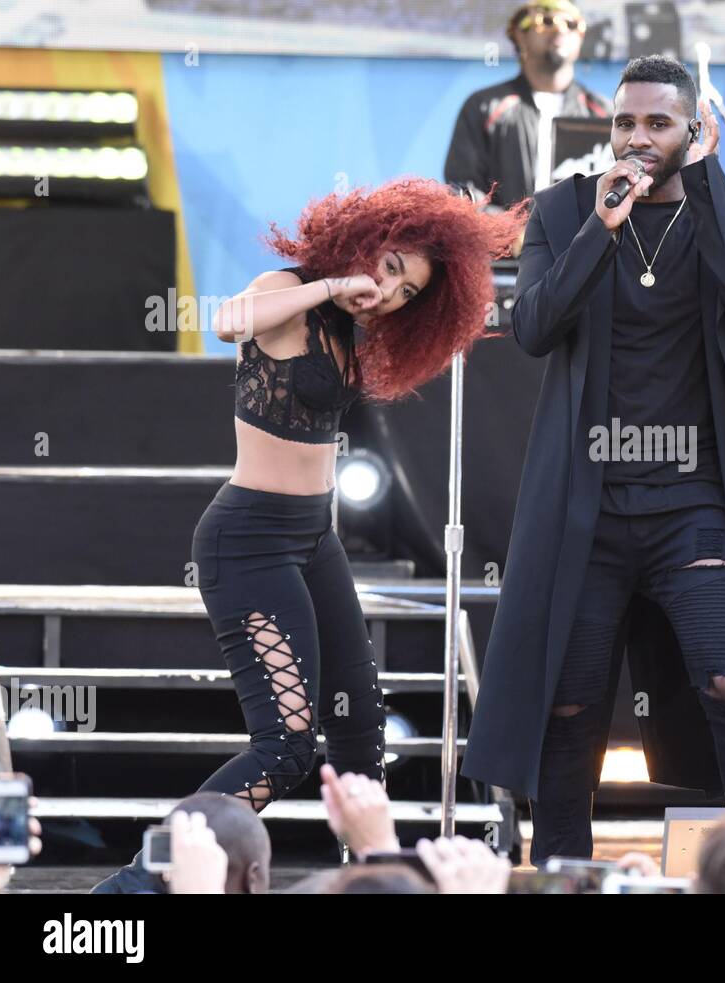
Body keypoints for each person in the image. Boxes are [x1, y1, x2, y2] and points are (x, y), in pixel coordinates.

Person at [91, 177, 524, 892]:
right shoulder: (287, 291)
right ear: (368, 236)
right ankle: (146, 882)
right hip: (247, 539)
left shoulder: (354, 330)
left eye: (409, 292)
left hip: (315, 541)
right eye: (390, 268)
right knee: (287, 745)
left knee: (362, 729)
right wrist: (330, 286)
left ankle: (371, 879)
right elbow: (229, 320)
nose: (388, 293)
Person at [460, 54, 725, 864]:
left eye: (657, 123)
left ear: (694, 130)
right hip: (587, 503)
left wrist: (705, 194)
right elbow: (531, 329)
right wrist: (602, 227)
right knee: (570, 705)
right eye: (625, 122)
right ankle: (563, 871)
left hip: (694, 501)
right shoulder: (565, 210)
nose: (635, 137)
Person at [444, 0, 610, 209]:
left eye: (571, 23)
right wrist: (513, 233)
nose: (560, 29)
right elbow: (462, 191)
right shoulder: (485, 107)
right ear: (520, 35)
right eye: (546, 20)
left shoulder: (605, 114)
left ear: (580, 38)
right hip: (503, 240)